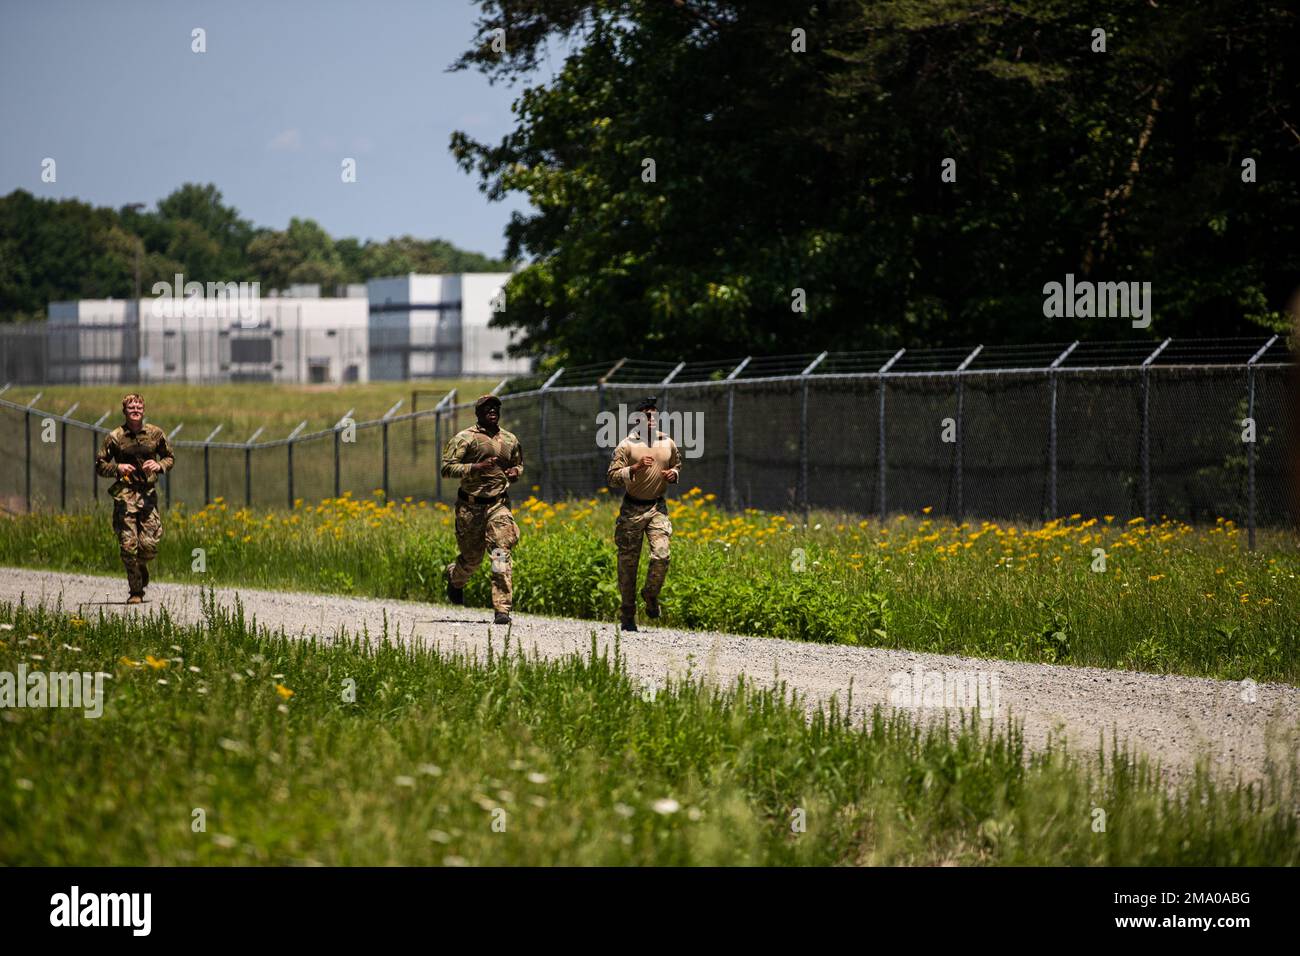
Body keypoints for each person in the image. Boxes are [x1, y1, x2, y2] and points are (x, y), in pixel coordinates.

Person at [440, 394, 524, 624]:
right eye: (487, 408)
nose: (492, 410)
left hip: (498, 505)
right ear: (478, 413)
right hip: (470, 506)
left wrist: (516, 472)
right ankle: (454, 578)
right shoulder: (464, 438)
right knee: (472, 559)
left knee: (500, 552)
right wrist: (475, 467)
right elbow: (446, 469)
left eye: (496, 407)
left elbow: (518, 464)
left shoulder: (509, 439)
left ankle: (502, 609)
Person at [606, 395, 681, 631]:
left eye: (654, 414)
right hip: (632, 509)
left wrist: (674, 475)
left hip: (657, 507)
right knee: (628, 564)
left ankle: (650, 595)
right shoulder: (627, 445)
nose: (652, 418)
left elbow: (677, 464)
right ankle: (628, 613)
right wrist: (635, 468)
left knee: (662, 555)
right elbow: (612, 477)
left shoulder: (667, 443)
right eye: (646, 415)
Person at [94, 393, 175, 604]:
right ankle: (136, 591)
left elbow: (169, 457)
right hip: (125, 496)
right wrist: (117, 468)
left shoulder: (155, 434)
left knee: (148, 544)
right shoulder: (115, 437)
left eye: (139, 407)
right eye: (131, 408)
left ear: (144, 410)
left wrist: (159, 466)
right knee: (128, 547)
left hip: (148, 495)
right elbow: (100, 465)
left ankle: (142, 567)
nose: (136, 411)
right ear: (125, 412)